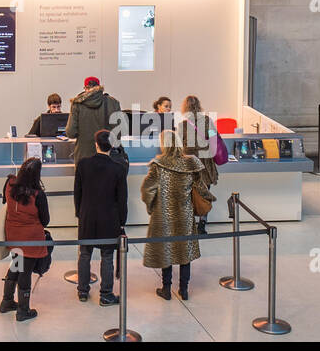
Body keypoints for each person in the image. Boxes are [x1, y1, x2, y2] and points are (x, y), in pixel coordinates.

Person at [141, 129, 215, 301]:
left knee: (165, 249)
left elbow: (147, 190)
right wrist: (209, 200)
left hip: (163, 214)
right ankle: (184, 289)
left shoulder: (158, 165)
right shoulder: (191, 163)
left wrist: (151, 207)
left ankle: (166, 289)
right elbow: (202, 188)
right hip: (185, 213)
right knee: (184, 251)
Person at [73, 129, 128, 306]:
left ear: (95, 145)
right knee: (107, 256)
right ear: (112, 146)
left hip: (87, 215)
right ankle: (106, 294)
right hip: (109, 217)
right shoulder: (118, 169)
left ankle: (82, 290)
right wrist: (122, 221)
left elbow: (77, 193)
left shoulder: (83, 164)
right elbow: (122, 199)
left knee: (85, 254)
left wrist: (79, 213)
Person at [0, 157, 51, 322]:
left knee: (16, 265)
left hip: (13, 234)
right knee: (25, 272)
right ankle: (23, 310)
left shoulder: (9, 184)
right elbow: (46, 220)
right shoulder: (37, 195)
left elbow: (4, 202)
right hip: (30, 239)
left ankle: (6, 301)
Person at [178, 95, 221, 234]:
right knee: (205, 193)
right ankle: (202, 223)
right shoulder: (208, 121)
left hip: (189, 163)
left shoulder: (182, 125)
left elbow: (178, 145)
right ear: (199, 106)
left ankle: (190, 224)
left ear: (185, 108)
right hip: (205, 163)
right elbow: (215, 139)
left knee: (189, 194)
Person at [65, 76, 120, 162]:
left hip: (83, 157)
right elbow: (118, 133)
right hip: (107, 156)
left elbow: (70, 133)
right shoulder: (113, 102)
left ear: (85, 88)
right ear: (99, 87)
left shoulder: (77, 103)